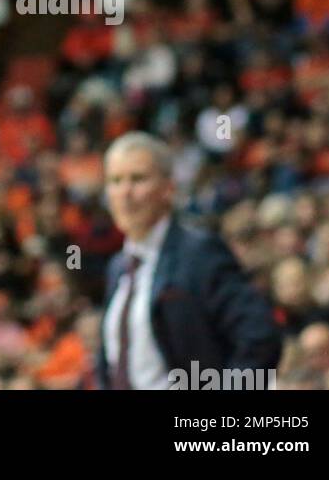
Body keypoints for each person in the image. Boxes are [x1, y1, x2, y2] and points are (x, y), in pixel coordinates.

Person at [98, 132, 282, 389]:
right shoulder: (118, 267)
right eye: (115, 181)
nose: (125, 192)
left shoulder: (198, 252)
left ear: (168, 189)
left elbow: (259, 338)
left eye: (137, 179)